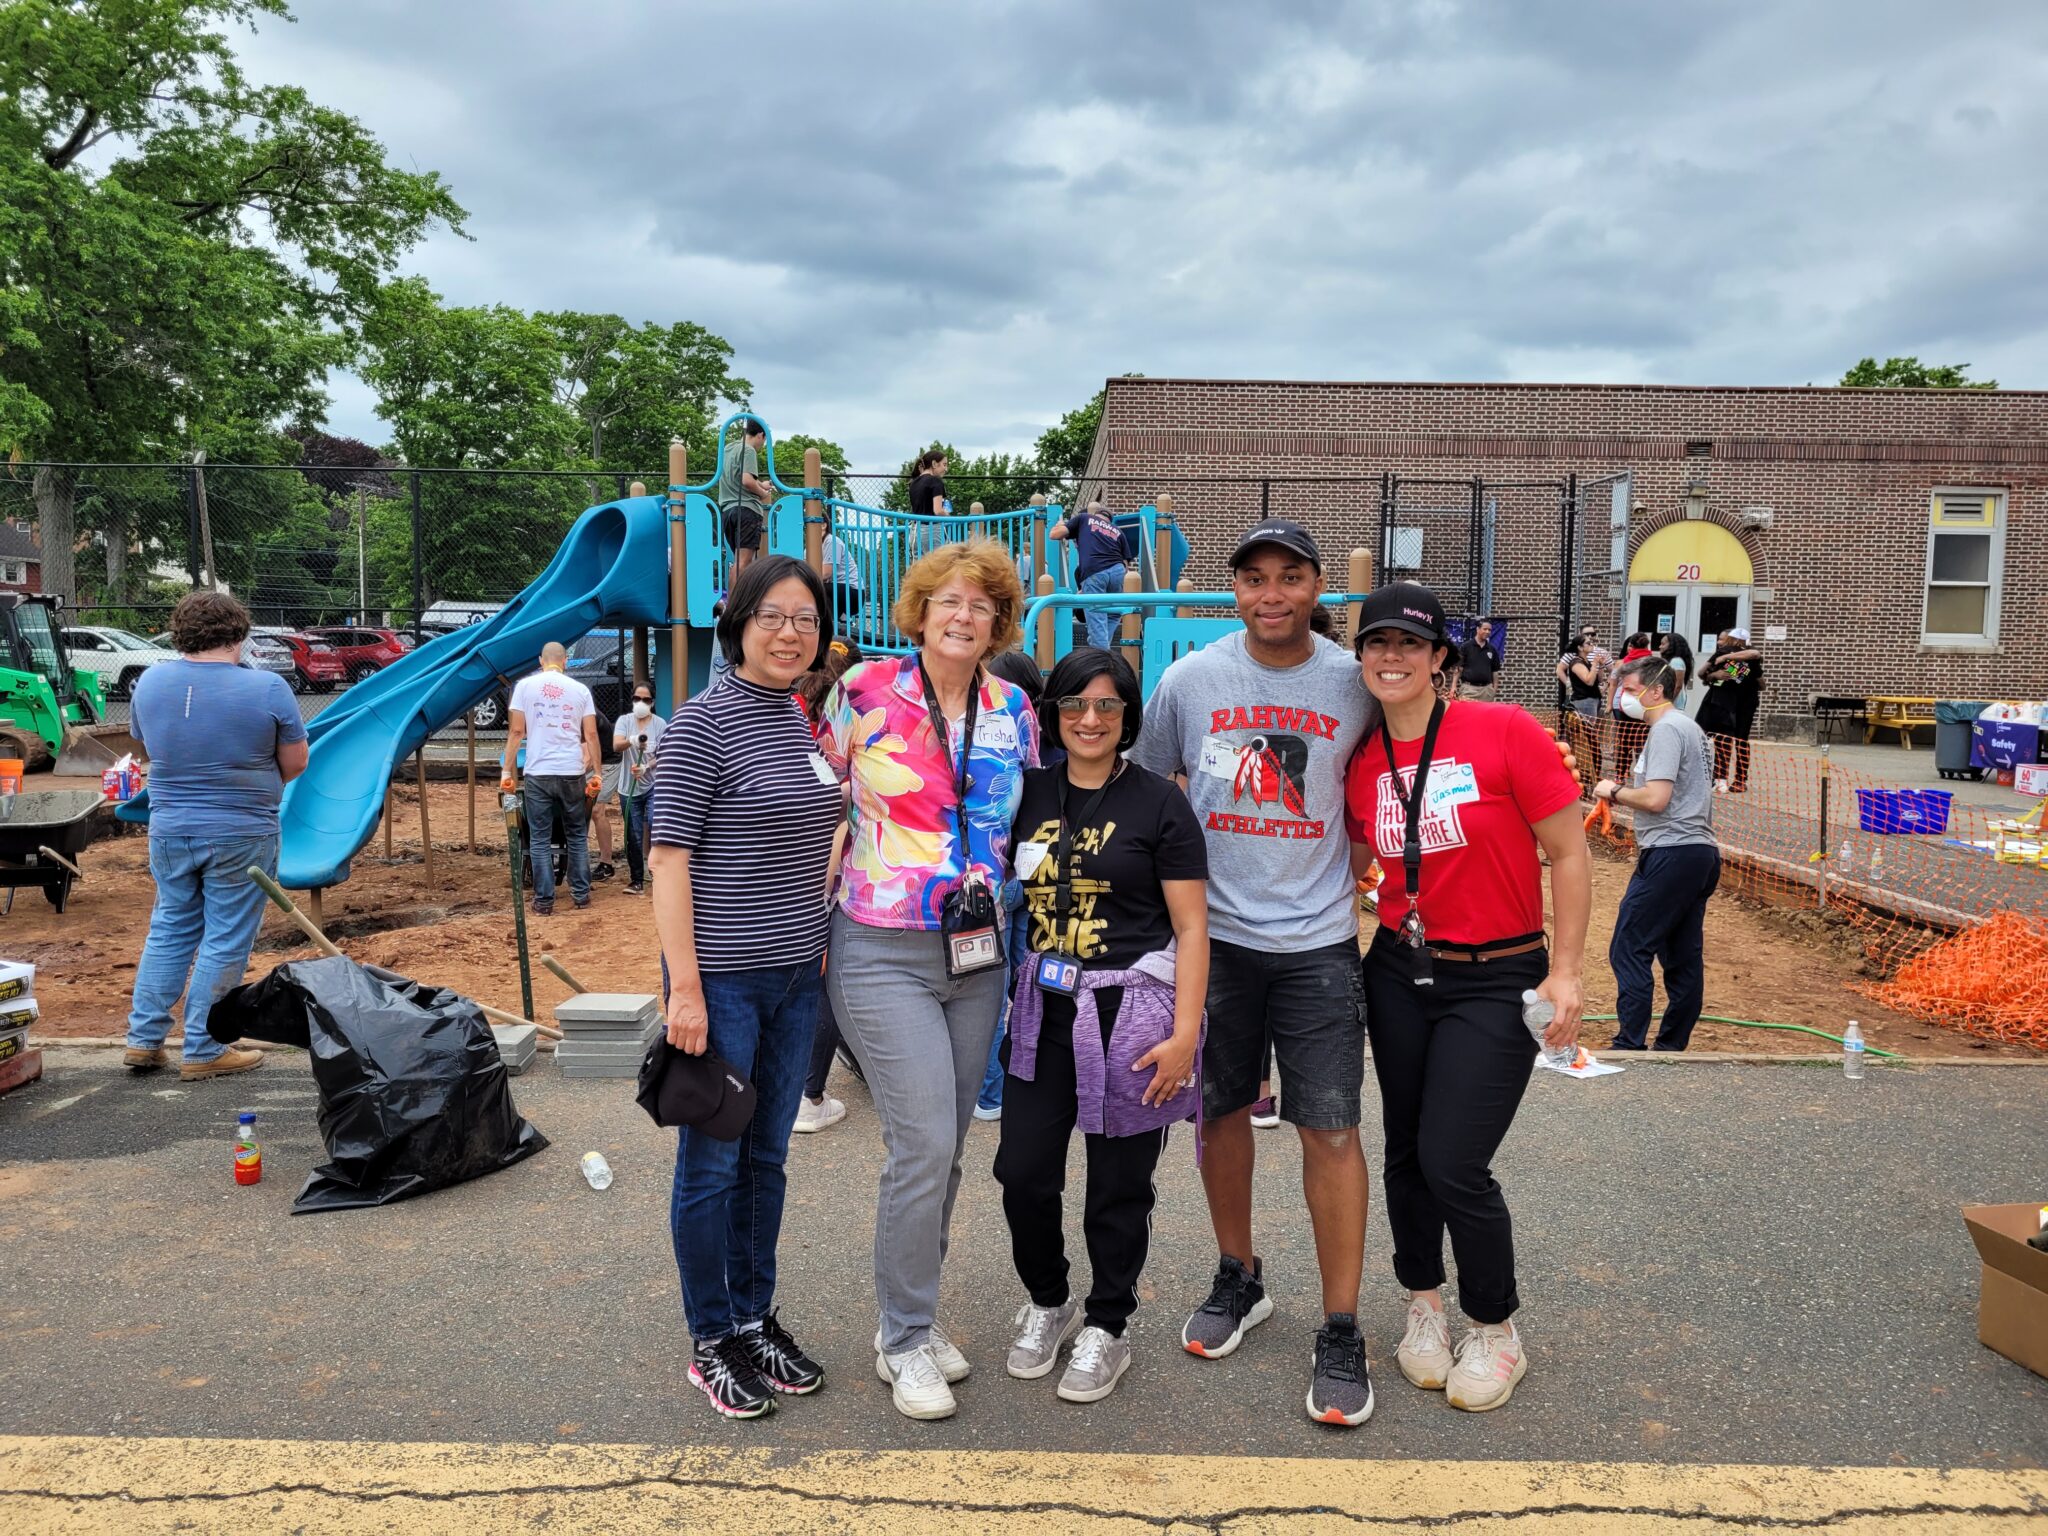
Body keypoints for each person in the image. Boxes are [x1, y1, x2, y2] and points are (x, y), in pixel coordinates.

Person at [1126, 517, 1379, 1426]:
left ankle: (1342, 1323)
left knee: (1332, 1131)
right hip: (1217, 941)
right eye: (1254, 579)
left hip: (1315, 943)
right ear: (1233, 590)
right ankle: (1240, 1272)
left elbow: (1388, 783)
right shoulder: (1191, 682)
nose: (1271, 594)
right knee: (1219, 1112)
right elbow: (1150, 791)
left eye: (1289, 577)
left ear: (1318, 588)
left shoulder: (1354, 686)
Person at [1344, 582, 1590, 1415]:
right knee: (1407, 1150)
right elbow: (1351, 859)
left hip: (1497, 973)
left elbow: (1570, 853)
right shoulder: (1362, 759)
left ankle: (1495, 1325)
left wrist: (1569, 972)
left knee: (1455, 1160)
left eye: (1409, 645)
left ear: (1441, 657)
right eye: (1376, 643)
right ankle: (1423, 1307)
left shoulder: (1505, 732)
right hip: (1401, 968)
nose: (1391, 657)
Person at [817, 539, 1041, 1421]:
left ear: (997, 621)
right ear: (918, 611)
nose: (962, 615)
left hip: (977, 953)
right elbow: (810, 800)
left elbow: (1041, 815)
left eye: (980, 604)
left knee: (947, 1143)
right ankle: (903, 1335)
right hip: (879, 946)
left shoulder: (1013, 706)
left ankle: (909, 1318)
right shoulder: (865, 692)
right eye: (947, 600)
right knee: (923, 1143)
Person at [649, 554, 844, 1420]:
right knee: (713, 1163)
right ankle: (710, 1338)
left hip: (797, 976)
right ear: (738, 623)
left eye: (806, 618)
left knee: (767, 1159)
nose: (791, 632)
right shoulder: (702, 724)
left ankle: (754, 1317)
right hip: (723, 980)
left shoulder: (802, 719)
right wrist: (684, 990)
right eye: (774, 616)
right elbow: (668, 860)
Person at [997, 646, 1209, 1404]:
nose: (1091, 720)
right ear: (1052, 714)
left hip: (1131, 1015)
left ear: (1128, 716)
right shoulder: (1023, 792)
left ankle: (1107, 1325)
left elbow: (1191, 928)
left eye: (1108, 707)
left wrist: (1186, 1034)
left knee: (1120, 1186)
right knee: (1021, 1171)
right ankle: (1048, 1300)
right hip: (1043, 1010)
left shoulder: (1160, 802)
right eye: (1075, 706)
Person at [124, 591, 308, 1080]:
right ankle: (205, 1049)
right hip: (241, 829)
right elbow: (295, 763)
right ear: (240, 636)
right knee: (225, 938)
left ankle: (144, 1040)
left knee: (169, 928)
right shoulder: (267, 688)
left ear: (180, 633)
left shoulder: (150, 682)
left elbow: (147, 744)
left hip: (170, 828)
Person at [1593, 656, 1721, 1052]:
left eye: (1629, 690)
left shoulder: (1666, 730)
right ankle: (1671, 1046)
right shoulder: (1691, 729)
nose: (1622, 698)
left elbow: (1656, 798)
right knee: (1682, 954)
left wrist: (1612, 790)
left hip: (1672, 851)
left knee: (1629, 946)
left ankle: (1630, 1042)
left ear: (1656, 691)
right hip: (1699, 853)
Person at [974, 647, 1053, 1122]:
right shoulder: (1046, 735)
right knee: (1032, 980)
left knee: (991, 988)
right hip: (1035, 871)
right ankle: (1031, 1075)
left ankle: (991, 1092)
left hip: (998, 873)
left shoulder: (988, 733)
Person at [793, 637, 865, 1136]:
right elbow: (828, 791)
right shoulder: (849, 711)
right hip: (833, 858)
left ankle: (793, 1086)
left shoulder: (791, 704)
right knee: (831, 981)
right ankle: (807, 1093)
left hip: (786, 864)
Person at [501, 642, 601, 915]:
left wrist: (506, 771)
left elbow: (516, 732)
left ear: (540, 661)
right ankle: (580, 894)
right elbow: (590, 735)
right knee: (577, 835)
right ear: (566, 661)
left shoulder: (524, 687)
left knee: (540, 838)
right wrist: (598, 773)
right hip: (572, 771)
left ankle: (544, 901)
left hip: (539, 771)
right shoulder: (580, 690)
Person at [1048, 500, 1136, 649]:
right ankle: (1102, 646)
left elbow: (1054, 535)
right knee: (1114, 613)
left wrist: (1059, 525)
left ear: (1095, 515)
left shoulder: (1085, 519)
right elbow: (1125, 565)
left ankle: (1100, 653)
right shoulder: (1117, 531)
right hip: (1117, 571)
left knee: (1097, 614)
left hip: (1095, 570)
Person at [612, 681, 666, 895]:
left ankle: (659, 873)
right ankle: (637, 880)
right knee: (633, 834)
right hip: (629, 788)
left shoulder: (660, 724)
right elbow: (616, 745)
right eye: (636, 699)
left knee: (656, 825)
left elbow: (664, 753)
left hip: (653, 784)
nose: (640, 703)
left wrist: (646, 767)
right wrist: (632, 740)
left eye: (645, 700)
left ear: (652, 702)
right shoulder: (625, 721)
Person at [1697, 628, 1764, 792]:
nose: (1719, 642)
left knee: (1721, 740)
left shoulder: (1725, 653)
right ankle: (1740, 780)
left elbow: (1701, 673)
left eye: (1722, 639)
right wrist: (1717, 675)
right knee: (1741, 740)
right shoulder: (1750, 657)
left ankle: (1719, 778)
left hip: (1725, 702)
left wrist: (1725, 663)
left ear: (1730, 639)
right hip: (1744, 703)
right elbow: (1761, 683)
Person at [719, 417, 774, 578]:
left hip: (728, 511)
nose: (762, 446)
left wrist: (760, 484)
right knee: (743, 564)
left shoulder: (729, 449)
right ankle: (738, 603)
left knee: (737, 562)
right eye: (765, 441)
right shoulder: (749, 450)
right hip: (747, 510)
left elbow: (738, 477)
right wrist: (763, 493)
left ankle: (733, 602)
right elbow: (747, 481)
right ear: (761, 435)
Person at [1556, 636, 1602, 789]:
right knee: (1587, 738)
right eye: (1589, 643)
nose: (1592, 645)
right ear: (1580, 647)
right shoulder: (1576, 662)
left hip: (1592, 700)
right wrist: (1595, 664)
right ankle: (1586, 775)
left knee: (1591, 738)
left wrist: (1598, 666)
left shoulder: (1587, 662)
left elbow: (1597, 680)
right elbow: (1588, 680)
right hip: (1584, 702)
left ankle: (1591, 773)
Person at [1610, 632, 1655, 784]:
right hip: (1645, 704)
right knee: (1641, 741)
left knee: (1626, 741)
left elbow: (1614, 681)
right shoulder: (1655, 662)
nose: (1661, 646)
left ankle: (1621, 774)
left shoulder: (1624, 663)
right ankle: (1640, 774)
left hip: (1628, 705)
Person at [1456, 619, 1501, 701]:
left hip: (1486, 691)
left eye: (1489, 630)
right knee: (1468, 713)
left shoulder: (1492, 649)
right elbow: (1459, 669)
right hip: (1469, 690)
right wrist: (1453, 687)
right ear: (1477, 629)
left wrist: (1494, 690)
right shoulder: (1465, 647)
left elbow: (1495, 672)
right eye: (1485, 629)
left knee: (1485, 714)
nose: (1487, 632)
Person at [907, 447, 949, 520]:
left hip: (916, 528)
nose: (946, 469)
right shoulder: (936, 481)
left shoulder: (913, 482)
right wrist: (947, 514)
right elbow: (938, 511)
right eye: (944, 464)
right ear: (934, 464)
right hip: (932, 528)